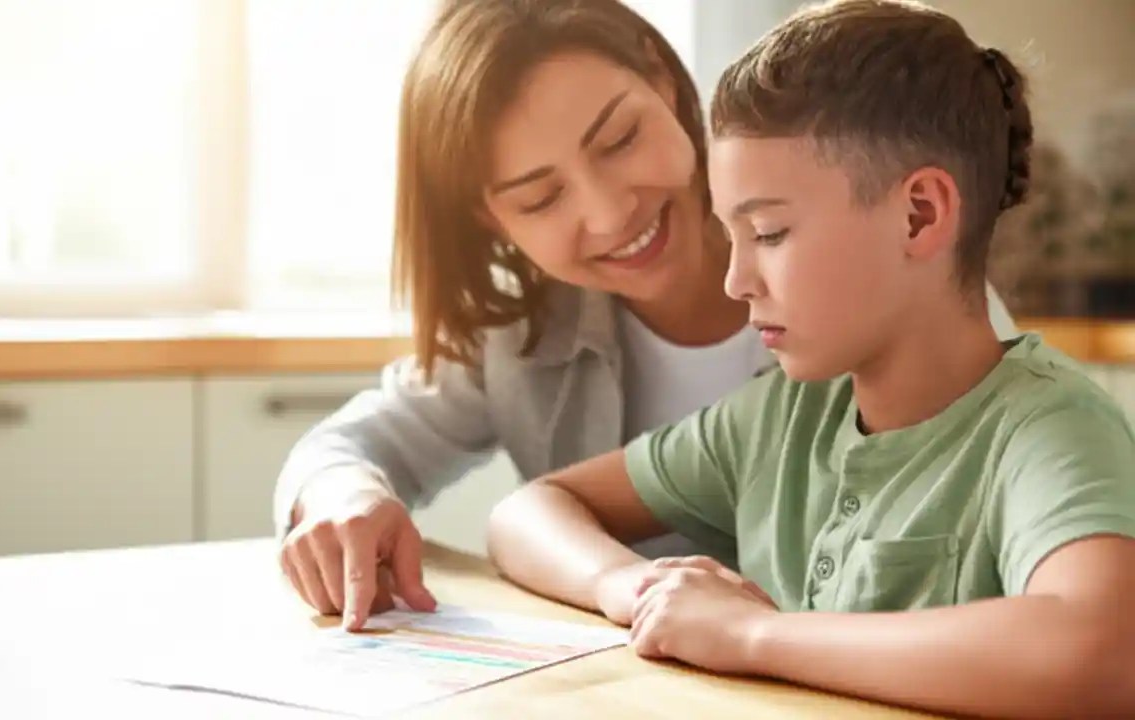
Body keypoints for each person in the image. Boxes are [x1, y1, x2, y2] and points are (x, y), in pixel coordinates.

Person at [274, 0, 1016, 633]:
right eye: (540, 198)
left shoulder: (884, 295)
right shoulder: (523, 335)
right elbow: (356, 445)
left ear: (665, 84)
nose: (608, 212)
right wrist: (347, 497)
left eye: (621, 139)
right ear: (491, 218)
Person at [486, 1, 1135, 717]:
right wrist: (635, 589)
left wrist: (758, 635)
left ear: (919, 214)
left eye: (768, 232)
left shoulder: (1049, 430)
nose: (736, 281)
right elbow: (528, 512)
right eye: (729, 235)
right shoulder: (777, 419)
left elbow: (1102, 652)